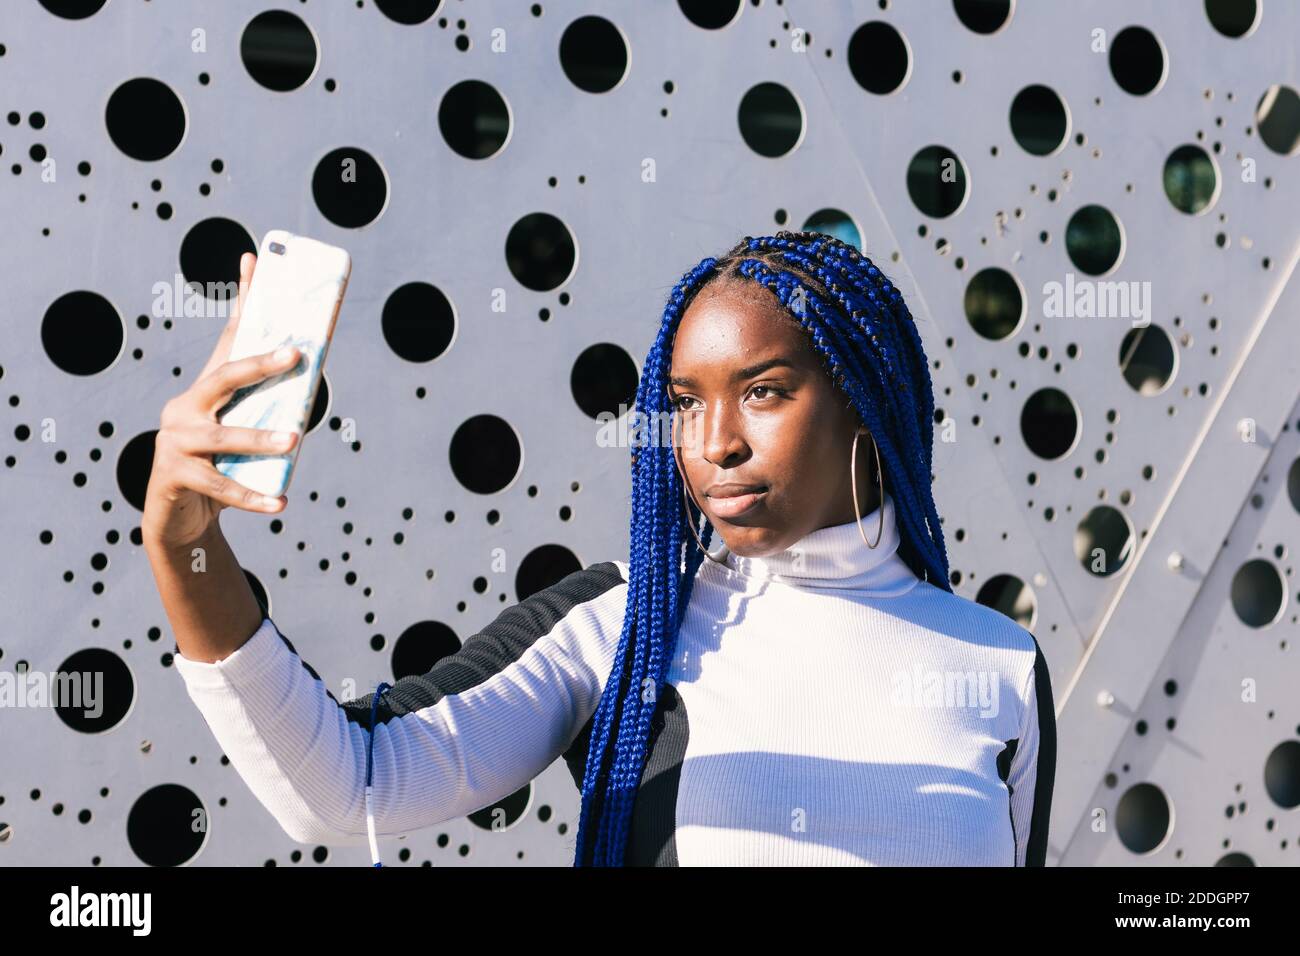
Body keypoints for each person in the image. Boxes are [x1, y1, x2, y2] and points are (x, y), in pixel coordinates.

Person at [143, 230, 1055, 867]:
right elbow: (348, 786)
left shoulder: (999, 663)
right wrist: (185, 546)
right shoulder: (625, 624)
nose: (714, 442)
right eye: (687, 402)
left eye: (765, 392)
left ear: (866, 401)